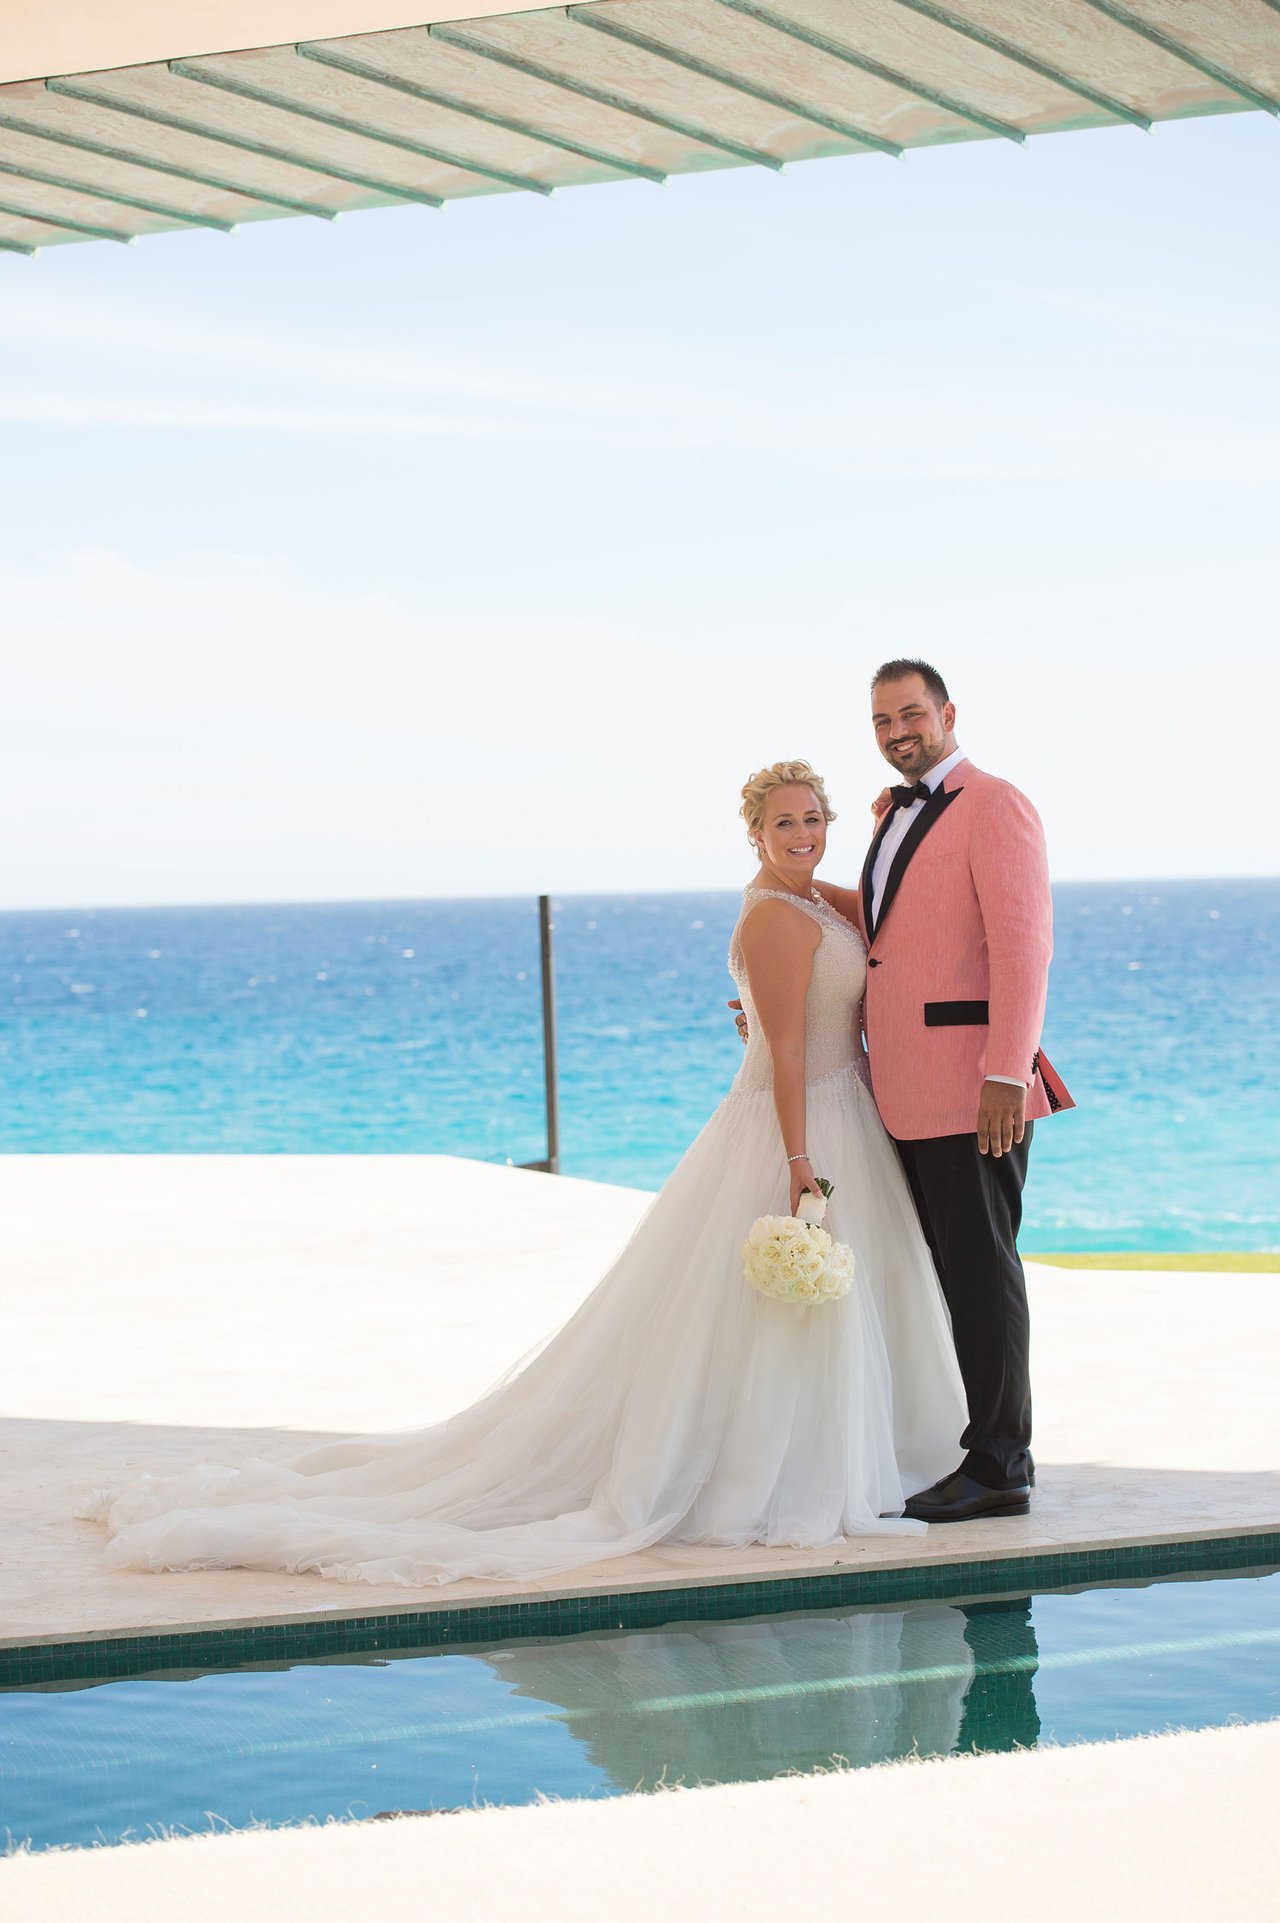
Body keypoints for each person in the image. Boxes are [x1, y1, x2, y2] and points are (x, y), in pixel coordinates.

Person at [83, 762, 966, 1589]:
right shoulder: (775, 914)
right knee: (772, 1321)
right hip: (804, 1123)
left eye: (815, 818)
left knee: (829, 1312)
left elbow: (890, 915)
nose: (803, 831)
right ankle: (773, 1475)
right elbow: (779, 1050)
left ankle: (852, 1452)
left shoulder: (817, 899)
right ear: (755, 832)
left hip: (847, 1111)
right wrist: (800, 1162)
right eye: (785, 821)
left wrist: (896, 830)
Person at [861, 660, 1073, 1521]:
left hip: (971, 1086)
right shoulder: (892, 814)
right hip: (904, 1085)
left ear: (948, 713)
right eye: (881, 721)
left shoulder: (996, 802)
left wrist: (1004, 1073)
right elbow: (889, 934)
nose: (897, 730)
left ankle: (1000, 1463)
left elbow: (1025, 948)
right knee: (951, 1273)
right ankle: (976, 1444)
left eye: (911, 713)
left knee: (983, 1273)